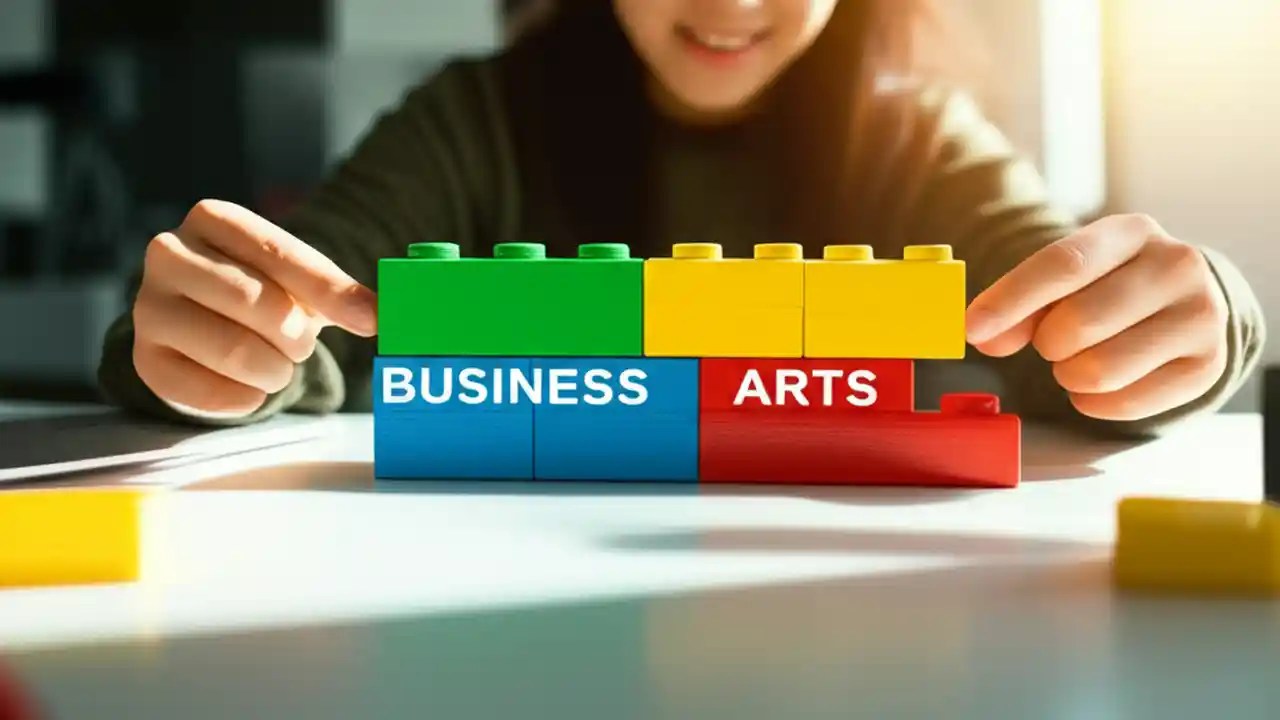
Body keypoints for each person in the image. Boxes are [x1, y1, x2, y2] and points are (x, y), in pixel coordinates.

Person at [96, 0, 1265, 436]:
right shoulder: (474, 120)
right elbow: (299, 319)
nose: (727, 5)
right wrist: (213, 355)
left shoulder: (919, 139)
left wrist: (1190, 323)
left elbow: (1070, 326)